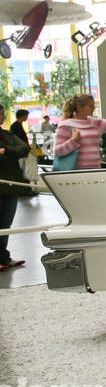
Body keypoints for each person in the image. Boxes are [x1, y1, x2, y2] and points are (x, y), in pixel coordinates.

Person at [0, 104, 30, 271]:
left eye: (3, 114)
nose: (3, 117)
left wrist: (5, 151)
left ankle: (4, 257)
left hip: (11, 185)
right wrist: (12, 153)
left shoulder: (6, 135)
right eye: (0, 114)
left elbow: (24, 148)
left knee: (5, 223)